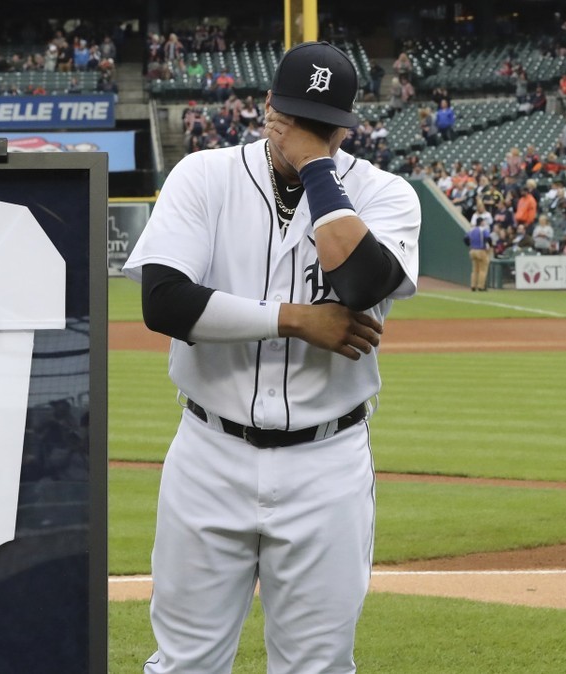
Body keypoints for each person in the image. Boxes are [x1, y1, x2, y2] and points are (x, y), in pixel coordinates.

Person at [121, 41, 421, 674]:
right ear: (266, 108)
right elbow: (165, 303)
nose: (298, 134)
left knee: (318, 665)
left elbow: (364, 284)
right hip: (209, 453)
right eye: (290, 116)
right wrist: (295, 320)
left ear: (344, 128)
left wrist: (317, 167)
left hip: (327, 462)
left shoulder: (386, 194)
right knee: (185, 664)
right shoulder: (203, 176)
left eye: (319, 125)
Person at [466, 200, 493, 291]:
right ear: (481, 222)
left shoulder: (472, 230)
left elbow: (465, 239)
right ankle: (481, 286)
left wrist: (470, 245)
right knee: (482, 270)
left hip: (472, 250)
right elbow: (488, 238)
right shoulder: (483, 229)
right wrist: (490, 246)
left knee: (474, 270)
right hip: (481, 250)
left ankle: (473, 285)